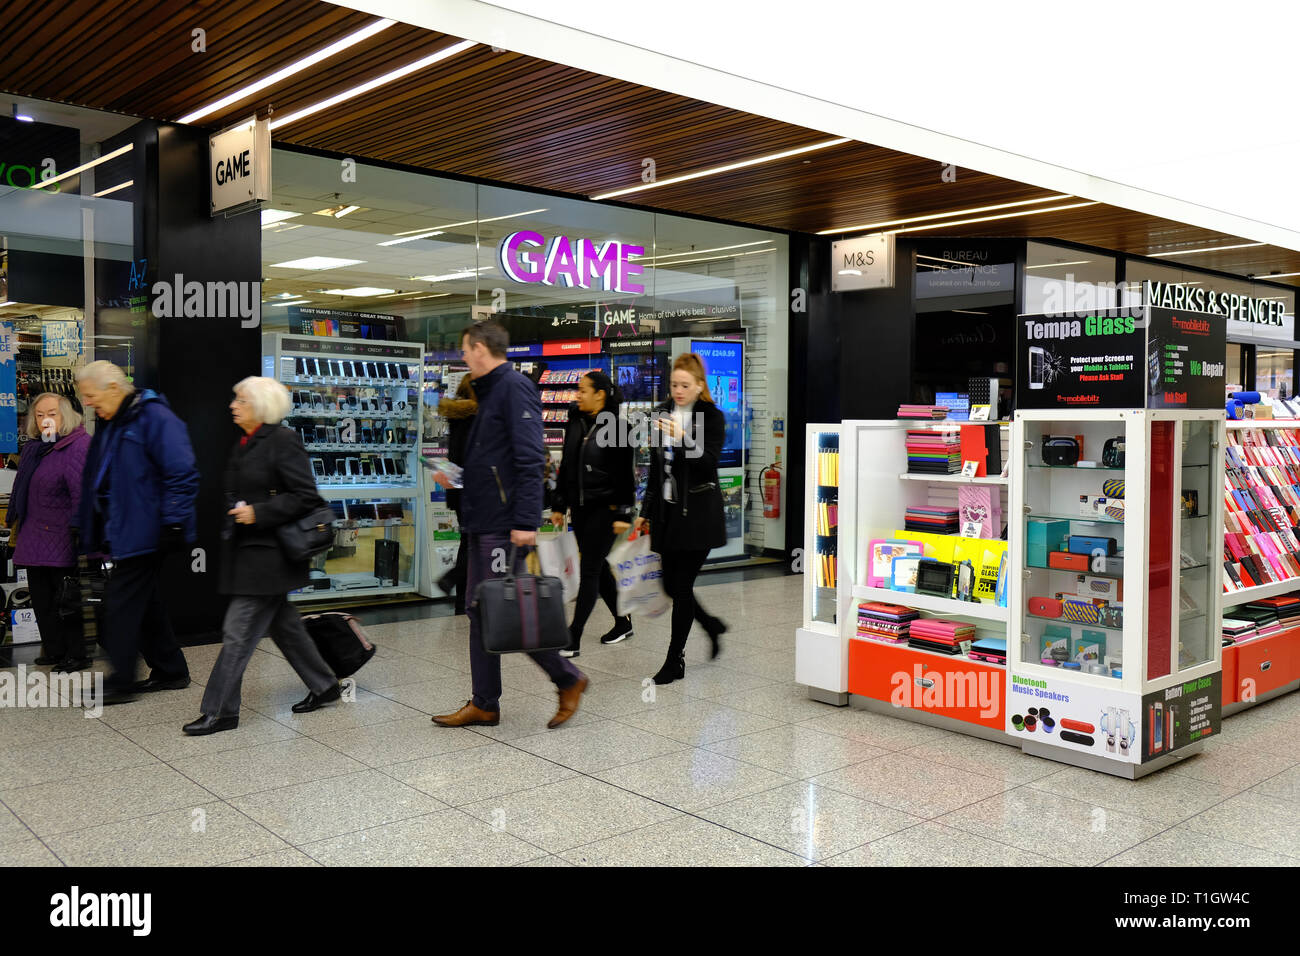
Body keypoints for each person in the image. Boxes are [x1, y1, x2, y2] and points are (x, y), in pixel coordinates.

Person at [431, 320, 588, 730]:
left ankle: (567, 678)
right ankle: (485, 702)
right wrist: (456, 478)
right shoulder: (485, 391)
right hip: (482, 520)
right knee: (482, 609)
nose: (463, 357)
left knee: (508, 610)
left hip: (503, 524)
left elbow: (531, 457)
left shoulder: (513, 387)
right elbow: (489, 459)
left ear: (481, 348)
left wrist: (525, 520)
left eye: (466, 349)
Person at [182, 378, 342, 735]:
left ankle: (220, 711)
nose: (232, 405)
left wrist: (259, 512)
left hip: (271, 557)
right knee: (284, 626)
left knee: (237, 633)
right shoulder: (244, 442)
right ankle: (325, 684)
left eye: (240, 399)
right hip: (250, 552)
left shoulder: (283, 440)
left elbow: (305, 496)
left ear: (260, 404)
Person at [75, 361, 196, 706]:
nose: (87, 403)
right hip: (126, 529)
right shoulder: (117, 420)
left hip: (149, 530)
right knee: (146, 603)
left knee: (121, 604)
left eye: (90, 395)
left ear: (113, 387)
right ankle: (171, 669)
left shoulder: (155, 417)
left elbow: (182, 472)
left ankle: (123, 678)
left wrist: (173, 521)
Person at [635, 353, 729, 684]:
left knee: (683, 584)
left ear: (699, 385)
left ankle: (674, 660)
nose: (678, 390)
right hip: (667, 512)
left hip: (699, 515)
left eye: (685, 385)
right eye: (674, 384)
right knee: (670, 584)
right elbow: (657, 469)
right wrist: (644, 513)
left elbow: (708, 464)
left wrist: (683, 438)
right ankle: (710, 624)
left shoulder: (712, 417)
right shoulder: (661, 413)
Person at [550, 370, 634, 658]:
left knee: (589, 571)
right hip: (581, 509)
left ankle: (573, 637)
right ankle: (623, 622)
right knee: (596, 568)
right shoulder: (575, 422)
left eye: (583, 389)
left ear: (600, 394)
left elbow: (625, 476)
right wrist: (559, 504)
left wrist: (624, 511)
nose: (577, 394)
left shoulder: (618, 427)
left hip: (606, 509)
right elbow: (567, 467)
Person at [6, 393, 91, 672]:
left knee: (66, 598)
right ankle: (54, 649)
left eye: (52, 413)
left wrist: (83, 532)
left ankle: (76, 654)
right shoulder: (34, 448)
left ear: (66, 415)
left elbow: (83, 494)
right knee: (42, 599)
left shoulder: (77, 446)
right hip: (33, 535)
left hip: (62, 535)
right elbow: (20, 488)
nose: (45, 420)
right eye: (40, 415)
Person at [436, 376, 477, 615]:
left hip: (458, 488)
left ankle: (462, 600)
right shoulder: (475, 416)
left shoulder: (456, 415)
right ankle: (454, 582)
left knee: (468, 542)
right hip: (477, 490)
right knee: (474, 543)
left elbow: (455, 456)